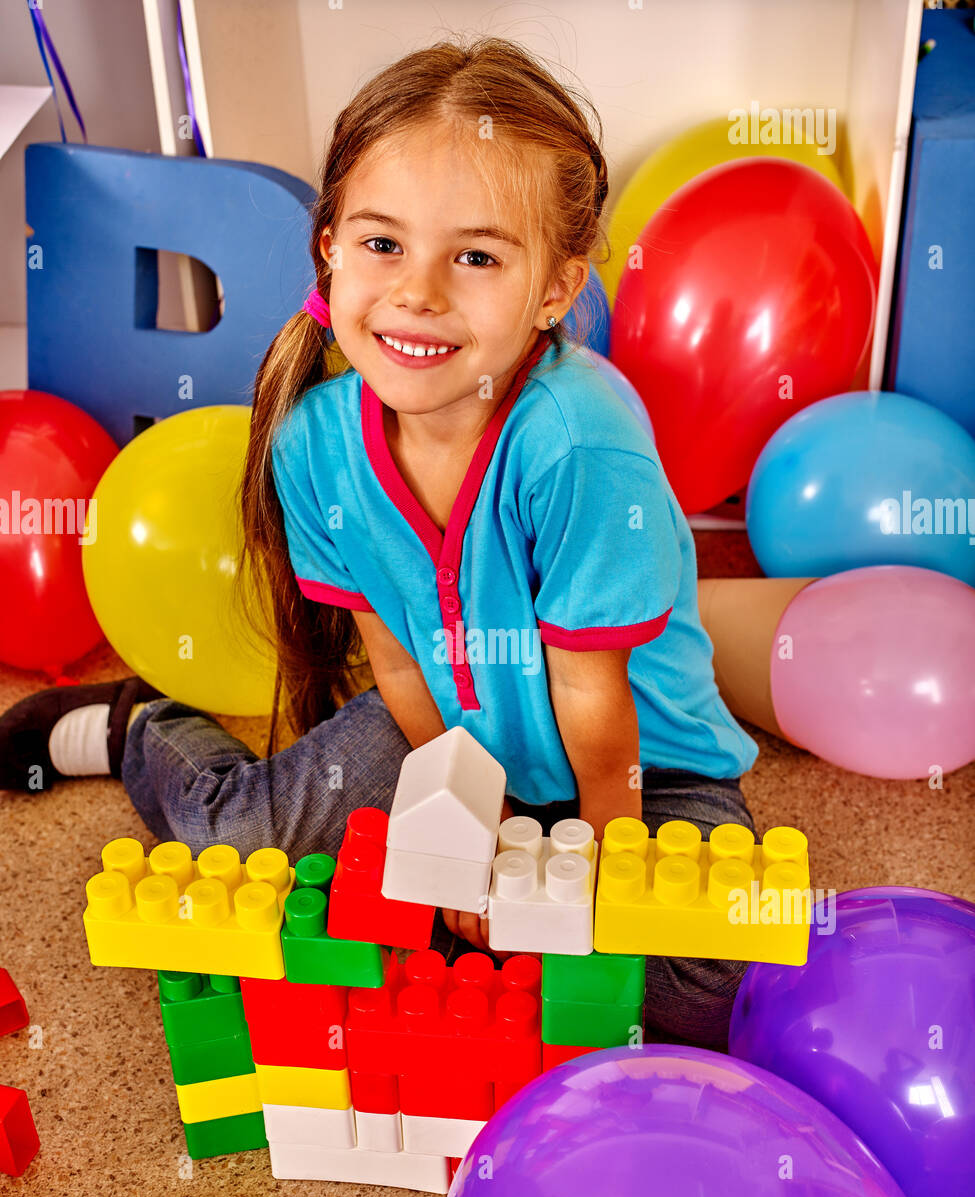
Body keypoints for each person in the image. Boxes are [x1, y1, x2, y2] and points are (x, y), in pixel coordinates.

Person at [0, 37, 758, 1048]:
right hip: (446, 731)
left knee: (686, 988)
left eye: (477, 256)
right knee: (242, 847)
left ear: (554, 287)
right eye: (382, 244)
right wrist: (463, 822)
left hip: (642, 770)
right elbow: (398, 659)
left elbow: (593, 697)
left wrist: (583, 879)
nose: (418, 294)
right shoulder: (314, 443)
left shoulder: (580, 440)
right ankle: (144, 726)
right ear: (330, 248)